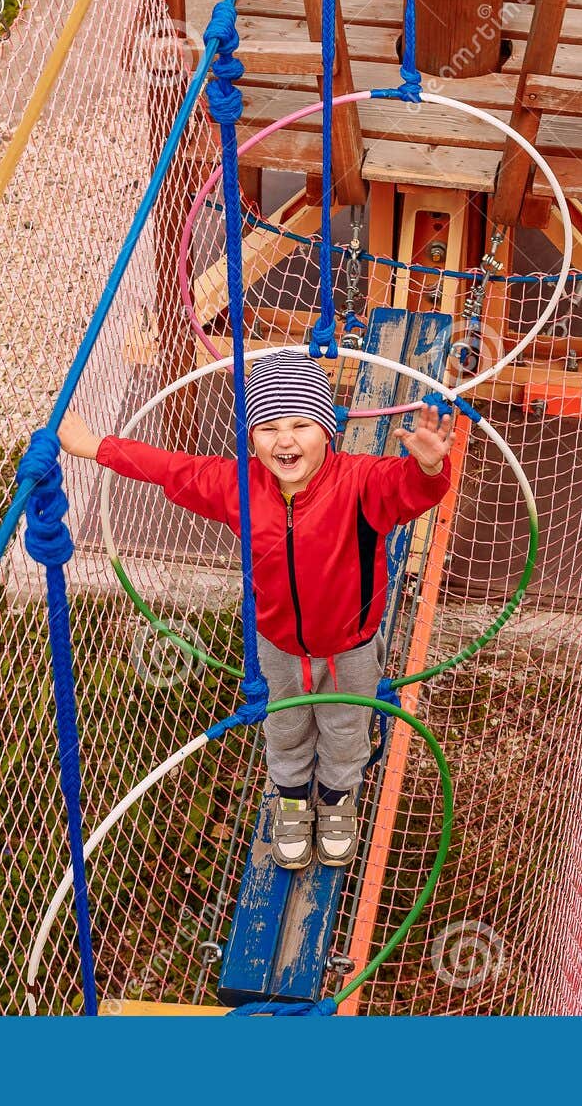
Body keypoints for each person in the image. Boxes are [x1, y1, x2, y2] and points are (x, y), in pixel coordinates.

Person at [58, 351, 455, 869]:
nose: (284, 440)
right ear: (250, 438)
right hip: (277, 643)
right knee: (285, 726)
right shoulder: (238, 486)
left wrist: (427, 465)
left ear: (327, 429)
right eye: (267, 427)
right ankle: (291, 798)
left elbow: (410, 490)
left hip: (351, 646)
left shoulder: (361, 483)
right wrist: (96, 448)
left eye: (300, 424)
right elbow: (171, 467)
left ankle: (336, 800)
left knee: (345, 726)